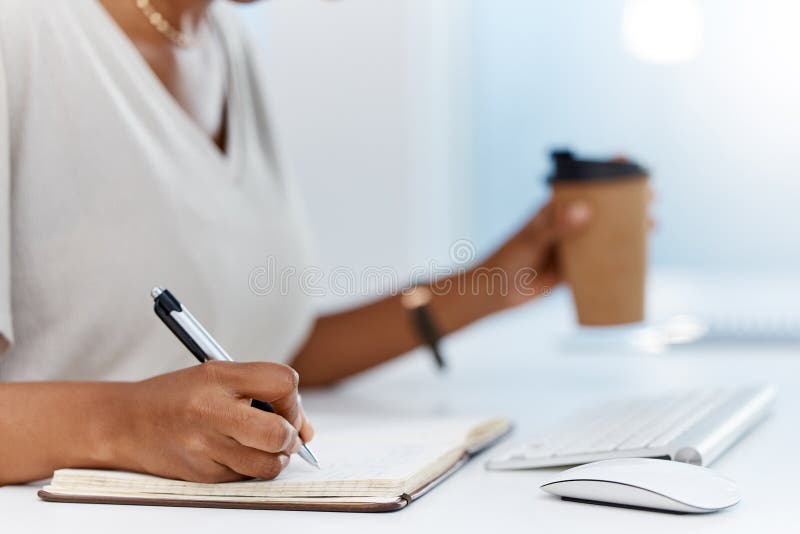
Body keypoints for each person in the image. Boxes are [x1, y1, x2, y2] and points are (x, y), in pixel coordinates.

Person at [0, 0, 592, 486]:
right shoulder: (21, 31)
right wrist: (128, 423)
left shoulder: (221, 35)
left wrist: (489, 285)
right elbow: (164, 402)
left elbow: (259, 353)